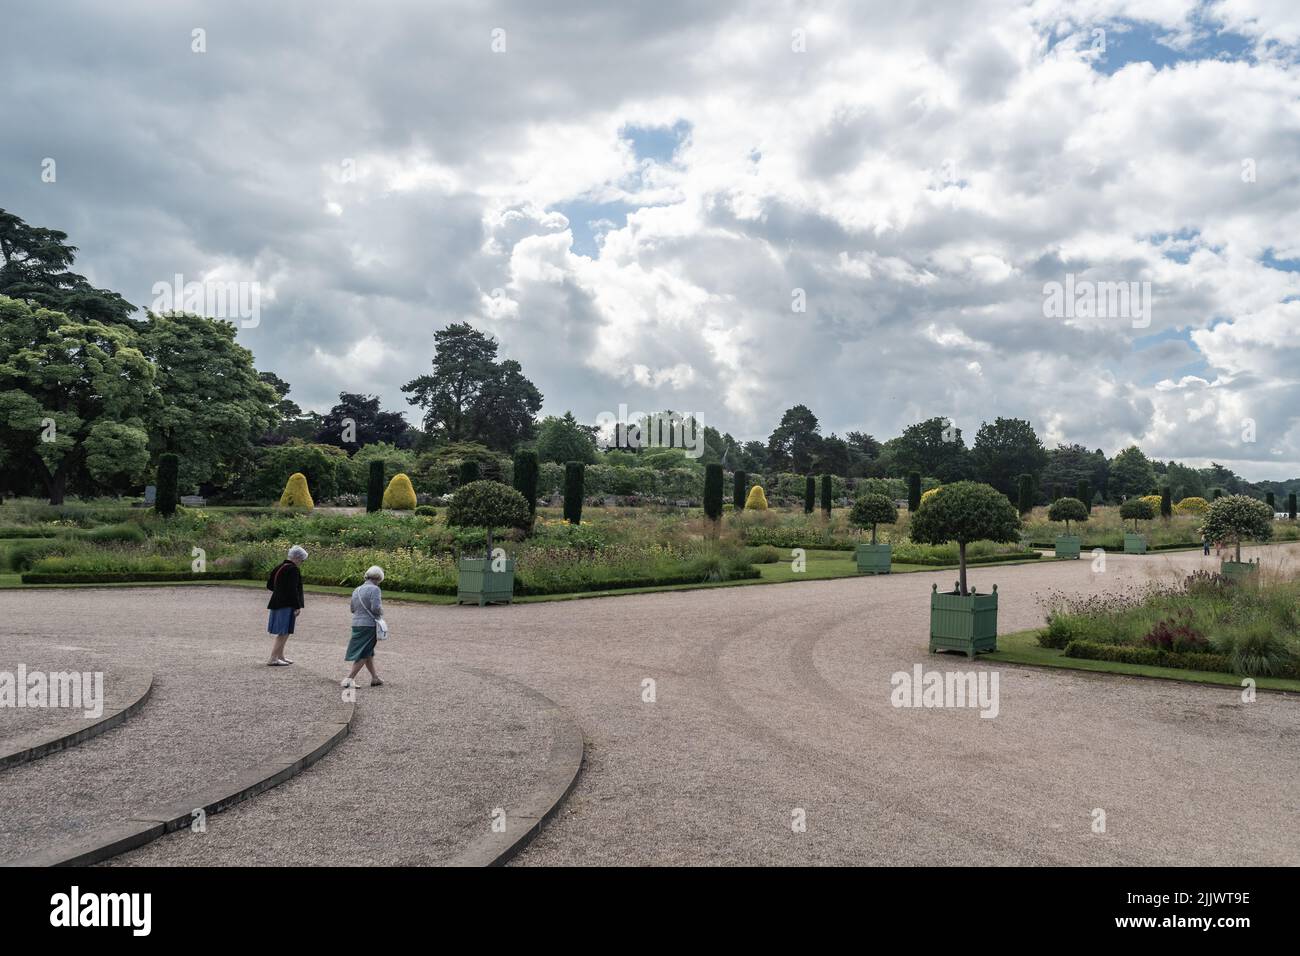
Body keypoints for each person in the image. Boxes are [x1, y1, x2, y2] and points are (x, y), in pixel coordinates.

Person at [342, 566, 386, 688]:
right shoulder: (375, 589)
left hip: (356, 623)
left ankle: (375, 678)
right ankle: (349, 679)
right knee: (364, 652)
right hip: (369, 625)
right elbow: (376, 608)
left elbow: (352, 609)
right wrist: (382, 612)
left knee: (368, 652)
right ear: (378, 578)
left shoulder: (357, 589)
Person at [266, 545, 307, 666]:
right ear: (297, 558)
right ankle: (273, 658)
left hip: (277, 601)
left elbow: (269, 585)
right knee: (284, 631)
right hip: (286, 604)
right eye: (302, 560)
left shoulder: (279, 567)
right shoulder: (293, 569)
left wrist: (279, 592)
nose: (302, 562)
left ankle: (280, 656)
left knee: (286, 630)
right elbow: (293, 589)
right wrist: (297, 606)